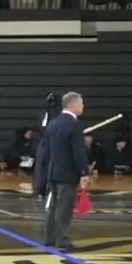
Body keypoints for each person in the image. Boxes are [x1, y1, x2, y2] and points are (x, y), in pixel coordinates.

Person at [40, 92, 89, 250]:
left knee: (53, 206)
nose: (83, 106)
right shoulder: (74, 125)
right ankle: (62, 239)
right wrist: (84, 172)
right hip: (68, 174)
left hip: (53, 171)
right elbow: (78, 152)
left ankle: (49, 238)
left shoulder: (52, 124)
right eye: (81, 103)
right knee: (64, 208)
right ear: (74, 104)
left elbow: (46, 152)